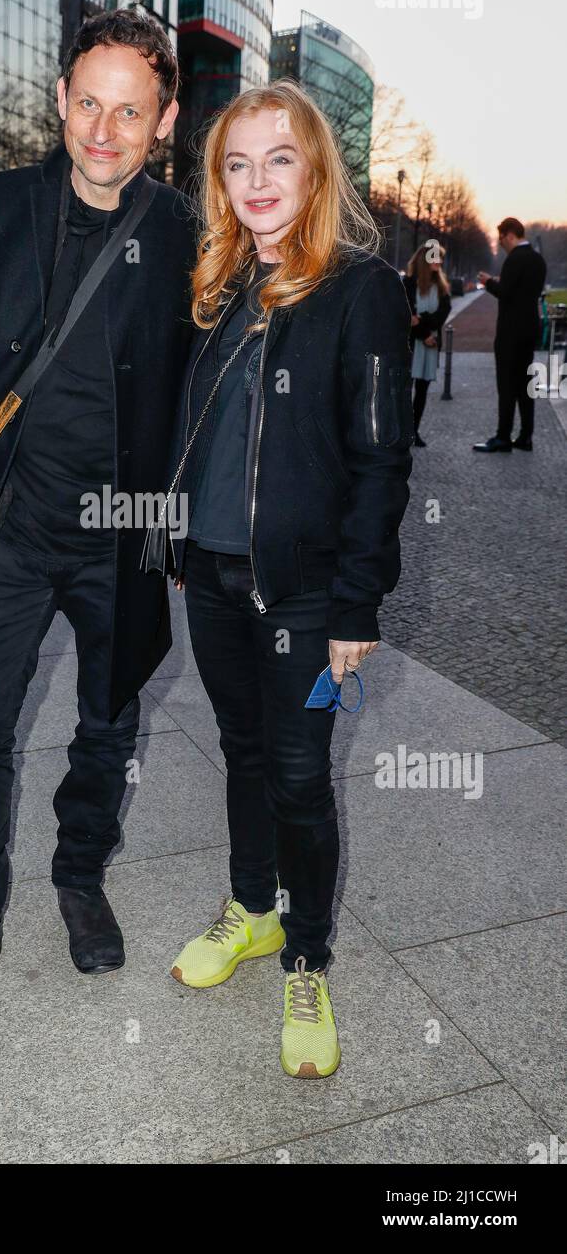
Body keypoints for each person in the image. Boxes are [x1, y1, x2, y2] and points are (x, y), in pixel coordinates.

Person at [0, 10, 196, 1021]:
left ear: (164, 120)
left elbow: (211, 388)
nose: (103, 129)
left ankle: (78, 874)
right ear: (60, 98)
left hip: (122, 533)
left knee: (108, 722)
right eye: (87, 102)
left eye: (129, 111)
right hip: (5, 527)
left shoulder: (187, 234)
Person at [163, 82, 413, 1078]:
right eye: (236, 161)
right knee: (240, 749)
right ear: (218, 181)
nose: (256, 179)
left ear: (314, 171)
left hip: (306, 594)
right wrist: (181, 547)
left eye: (278, 158)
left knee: (301, 774)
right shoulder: (216, 287)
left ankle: (305, 954)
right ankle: (251, 910)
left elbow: (378, 457)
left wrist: (357, 602)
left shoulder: (359, 290)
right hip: (217, 579)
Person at [474, 217, 546, 452]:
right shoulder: (538, 260)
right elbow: (526, 292)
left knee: (506, 384)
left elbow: (506, 293)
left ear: (510, 235)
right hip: (530, 329)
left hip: (510, 332)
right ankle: (526, 436)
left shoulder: (514, 259)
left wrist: (488, 283)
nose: (501, 243)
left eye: (501, 238)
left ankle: (503, 436)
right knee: (526, 385)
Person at [402, 242, 451, 447]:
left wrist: (421, 320)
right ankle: (402, 431)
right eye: (435, 257)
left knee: (422, 391)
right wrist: (424, 333)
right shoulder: (409, 283)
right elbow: (405, 317)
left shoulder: (441, 286)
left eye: (440, 257)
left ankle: (414, 431)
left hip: (430, 344)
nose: (439, 261)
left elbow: (442, 315)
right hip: (413, 344)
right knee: (405, 390)